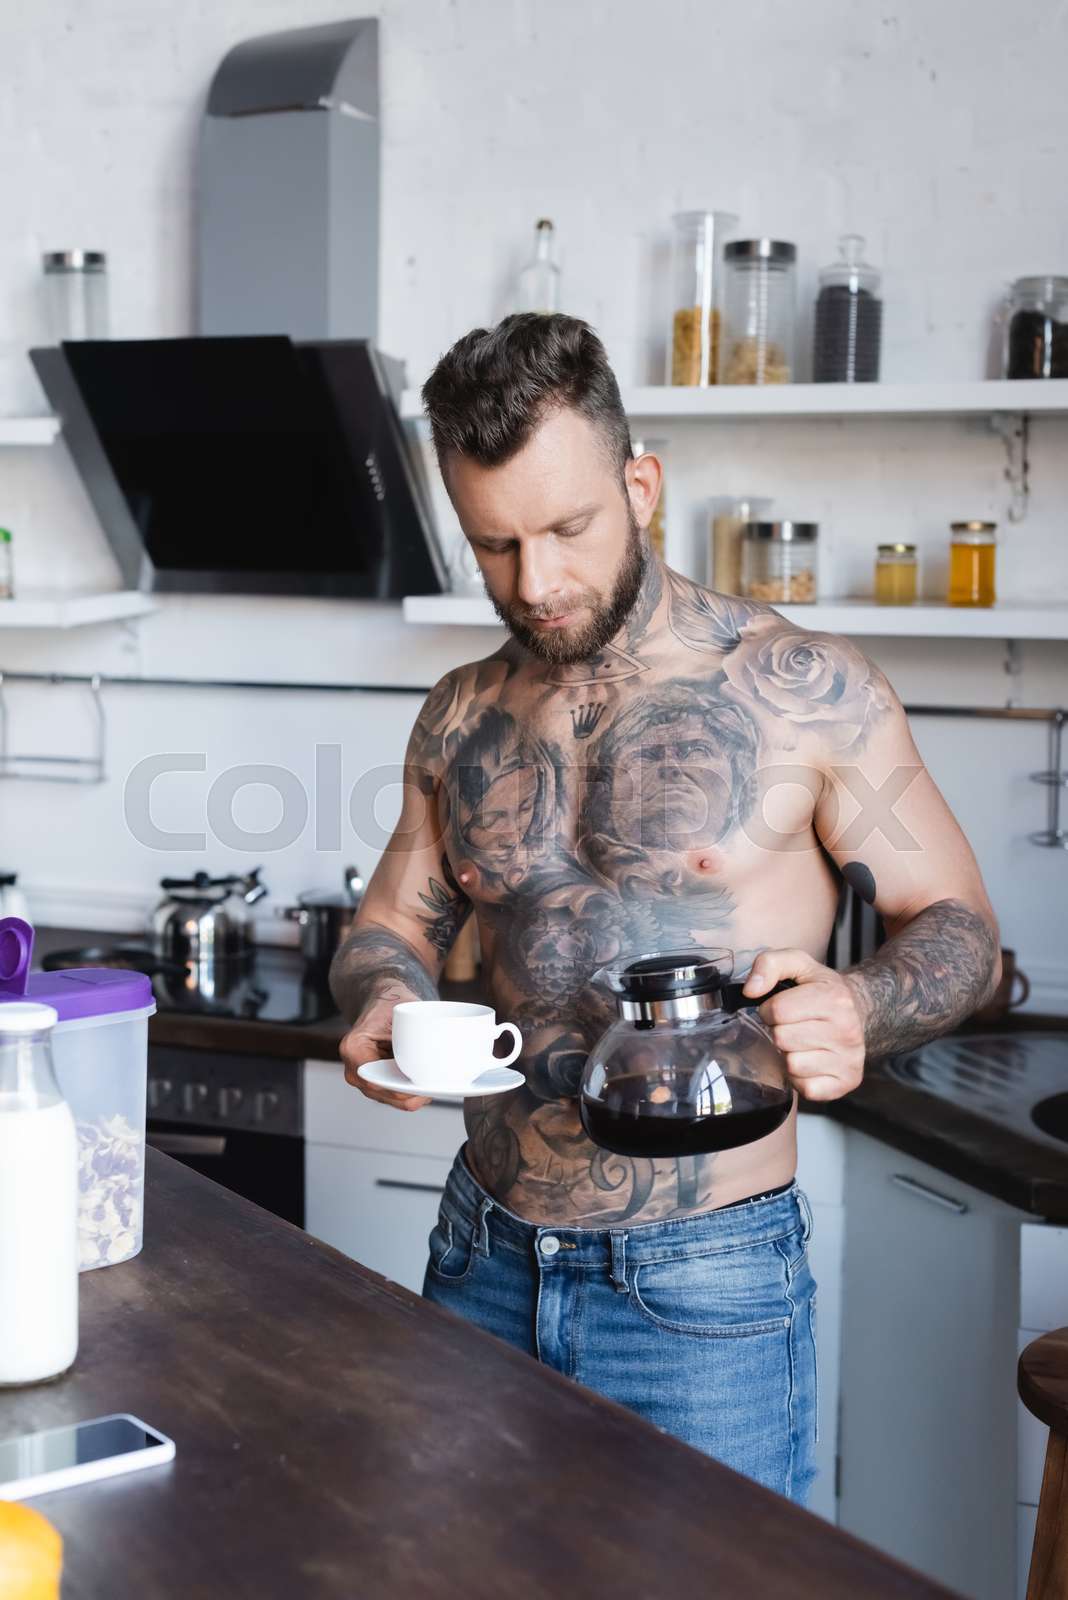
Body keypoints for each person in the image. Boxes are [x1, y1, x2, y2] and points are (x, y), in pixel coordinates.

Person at [329, 313, 1000, 1506]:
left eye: (567, 529)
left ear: (641, 484)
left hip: (701, 1284)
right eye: (495, 545)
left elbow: (955, 920)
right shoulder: (458, 715)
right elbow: (391, 923)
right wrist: (384, 999)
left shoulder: (808, 689)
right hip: (481, 1249)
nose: (534, 583)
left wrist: (864, 1002)